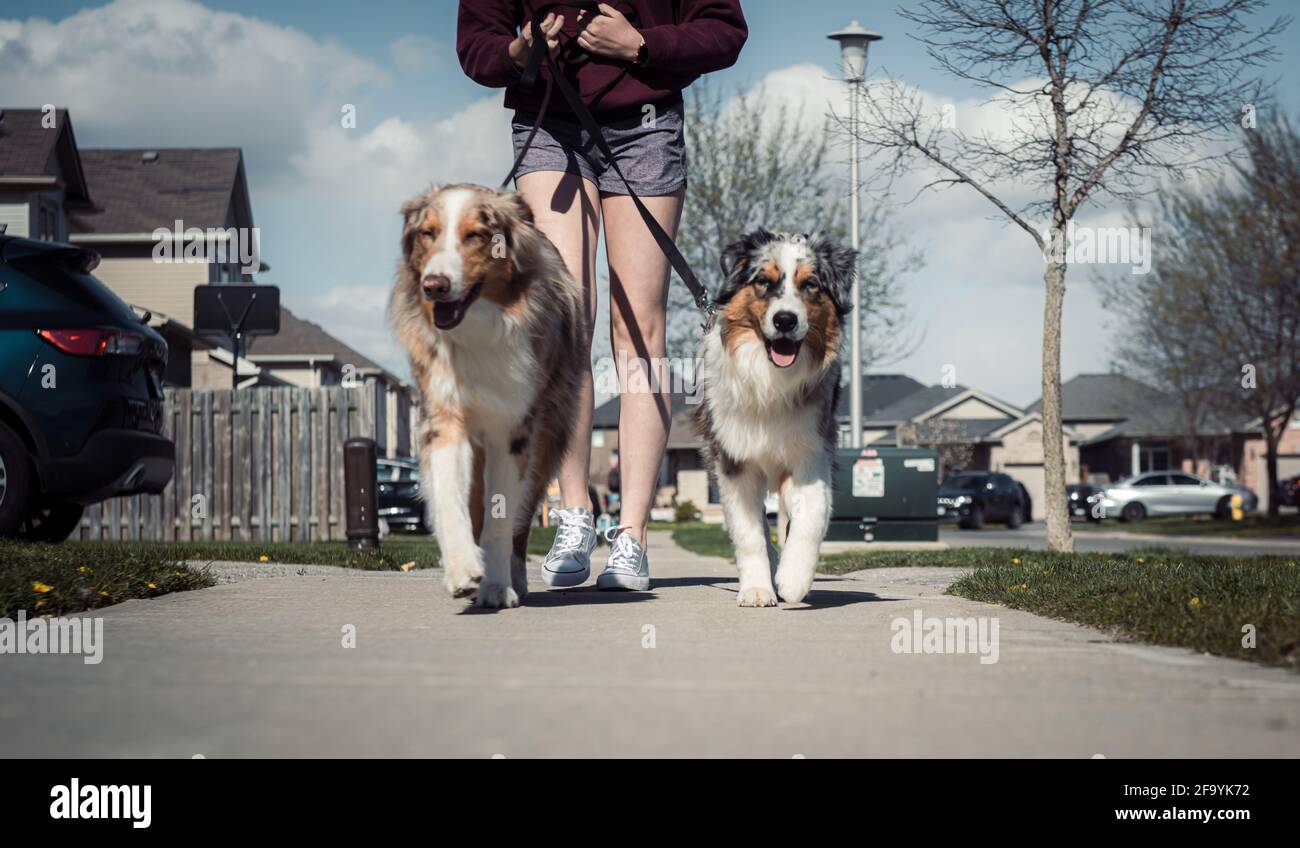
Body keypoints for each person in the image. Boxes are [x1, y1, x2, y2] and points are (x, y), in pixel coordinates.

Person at [457, 1, 747, 590]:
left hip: (647, 120)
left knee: (638, 327)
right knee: (567, 317)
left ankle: (633, 536)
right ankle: (574, 514)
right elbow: (477, 43)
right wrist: (520, 50)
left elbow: (724, 29)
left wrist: (640, 46)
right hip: (549, 118)